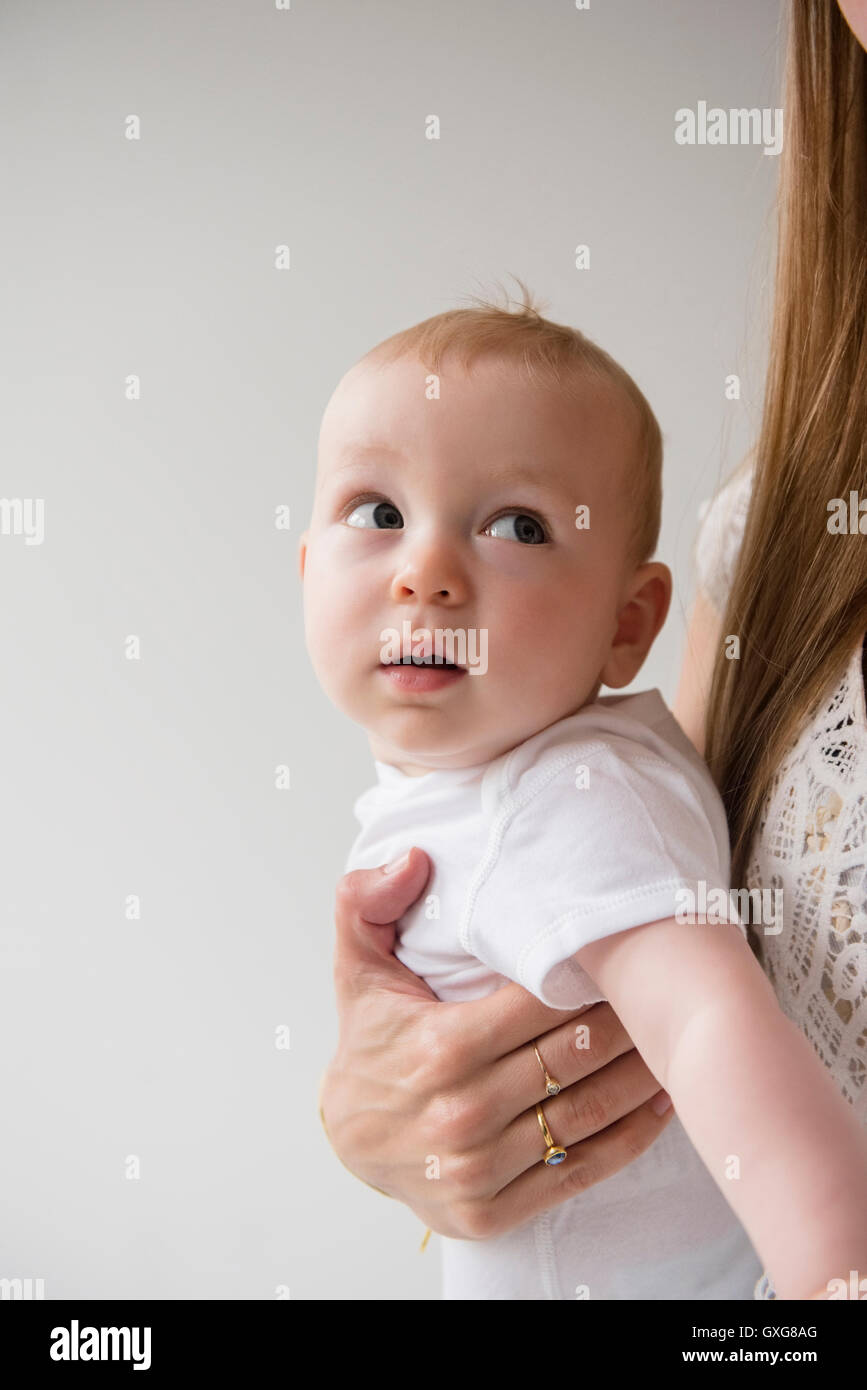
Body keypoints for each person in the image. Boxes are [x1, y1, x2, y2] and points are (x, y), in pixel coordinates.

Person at [313, 0, 867, 1300]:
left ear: (633, 617)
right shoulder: (784, 542)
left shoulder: (566, 801)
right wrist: (381, 1102)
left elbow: (713, 1022)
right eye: (376, 513)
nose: (425, 567)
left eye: (513, 524)